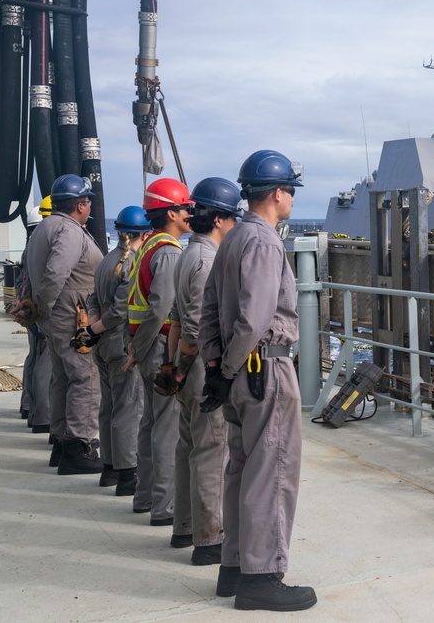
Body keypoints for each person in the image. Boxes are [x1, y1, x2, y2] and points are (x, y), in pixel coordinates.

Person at [198, 150, 316, 611]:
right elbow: (254, 319)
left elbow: (211, 311)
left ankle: (234, 568)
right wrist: (227, 368)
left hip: (237, 374)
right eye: (290, 190)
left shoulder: (231, 240)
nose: (291, 198)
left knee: (241, 468)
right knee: (273, 470)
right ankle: (262, 577)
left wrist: (215, 368)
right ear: (276, 193)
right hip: (264, 368)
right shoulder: (265, 242)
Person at [160, 177, 240, 563]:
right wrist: (190, 369)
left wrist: (172, 366)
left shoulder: (186, 254)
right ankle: (208, 541)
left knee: (187, 447)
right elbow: (194, 327)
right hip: (200, 369)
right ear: (222, 219)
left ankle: (184, 528)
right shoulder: (208, 260)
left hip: (184, 367)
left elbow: (175, 319)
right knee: (211, 451)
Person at [24, 174, 104, 475]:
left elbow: (33, 275)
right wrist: (47, 306)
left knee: (62, 379)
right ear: (81, 204)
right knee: (86, 378)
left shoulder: (44, 228)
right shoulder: (68, 231)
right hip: (72, 314)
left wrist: (40, 311)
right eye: (88, 201)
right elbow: (57, 273)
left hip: (55, 316)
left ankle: (60, 443)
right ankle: (79, 447)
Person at [125, 178, 193, 525]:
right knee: (166, 430)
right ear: (170, 213)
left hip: (146, 348)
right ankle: (164, 507)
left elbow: (133, 303)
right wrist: (145, 351)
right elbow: (160, 308)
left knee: (150, 425)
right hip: (158, 350)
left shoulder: (148, 245)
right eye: (185, 208)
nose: (190, 214)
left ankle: (145, 496)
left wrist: (135, 345)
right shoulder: (168, 251)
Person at [78, 206, 151, 495]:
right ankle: (127, 474)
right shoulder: (133, 262)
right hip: (121, 342)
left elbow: (93, 299)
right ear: (144, 234)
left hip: (102, 344)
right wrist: (98, 328)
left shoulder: (107, 260)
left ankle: (108, 468)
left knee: (108, 408)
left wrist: (93, 326)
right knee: (129, 409)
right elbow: (122, 310)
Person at [12, 197, 52, 433]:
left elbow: (23, 281)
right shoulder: (43, 248)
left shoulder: (30, 247)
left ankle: (30, 406)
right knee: (44, 362)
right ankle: (41, 414)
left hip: (31, 310)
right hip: (39, 312)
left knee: (34, 358)